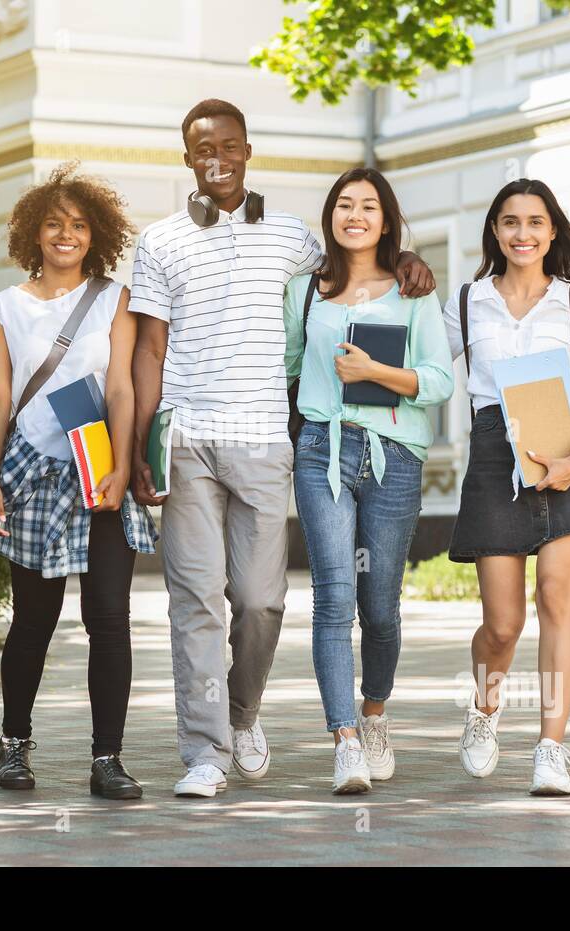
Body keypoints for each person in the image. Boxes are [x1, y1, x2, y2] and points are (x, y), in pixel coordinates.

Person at [129, 99, 436, 798]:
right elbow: (151, 348)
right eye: (202, 148)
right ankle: (204, 752)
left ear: (246, 150)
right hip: (187, 441)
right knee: (197, 600)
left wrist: (408, 260)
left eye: (229, 146)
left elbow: (356, 273)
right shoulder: (160, 241)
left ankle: (242, 713)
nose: (217, 159)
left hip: (267, 439)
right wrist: (143, 444)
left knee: (263, 601)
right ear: (187, 158)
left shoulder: (294, 237)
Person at [0, 163, 156, 800]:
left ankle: (106, 758)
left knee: (109, 618)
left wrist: (119, 464)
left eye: (79, 225)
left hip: (97, 465)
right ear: (34, 231)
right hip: (31, 472)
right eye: (54, 223)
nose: (66, 234)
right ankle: (13, 744)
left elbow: (120, 385)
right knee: (34, 619)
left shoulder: (114, 298)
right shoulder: (3, 307)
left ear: (96, 234)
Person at [444, 178, 570, 797]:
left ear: (552, 231)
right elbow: (432, 373)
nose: (524, 234)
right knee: (503, 624)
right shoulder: (467, 301)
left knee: (556, 599)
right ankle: (485, 710)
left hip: (568, 455)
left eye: (536, 222)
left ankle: (551, 747)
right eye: (511, 222)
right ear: (495, 231)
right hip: (496, 455)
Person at [285, 168, 454, 795]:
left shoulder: (413, 292)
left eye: (369, 206)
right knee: (333, 598)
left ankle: (375, 714)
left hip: (395, 456)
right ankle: (345, 740)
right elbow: (288, 367)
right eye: (344, 205)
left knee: (379, 604)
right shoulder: (305, 291)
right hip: (322, 452)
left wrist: (378, 371)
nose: (355, 215)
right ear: (331, 215)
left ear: (386, 220)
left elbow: (438, 382)